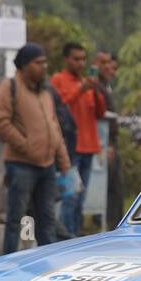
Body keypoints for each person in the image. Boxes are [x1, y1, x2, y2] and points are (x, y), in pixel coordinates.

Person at [0, 42, 72, 255]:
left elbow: (54, 126)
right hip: (21, 165)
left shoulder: (46, 92)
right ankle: (6, 265)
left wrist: (63, 161)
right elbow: (0, 123)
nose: (44, 67)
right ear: (25, 65)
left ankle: (47, 267)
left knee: (47, 221)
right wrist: (26, 146)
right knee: (16, 221)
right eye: (38, 63)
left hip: (47, 166)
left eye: (45, 62)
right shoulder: (10, 87)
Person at [51, 42, 106, 236]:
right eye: (76, 59)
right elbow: (59, 106)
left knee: (81, 198)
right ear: (66, 59)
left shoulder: (87, 82)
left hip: (89, 147)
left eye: (83, 59)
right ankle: (66, 239)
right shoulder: (58, 80)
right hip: (70, 148)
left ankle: (74, 237)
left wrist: (97, 90)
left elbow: (100, 113)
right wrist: (80, 89)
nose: (81, 63)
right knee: (70, 197)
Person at [95, 49, 124, 228]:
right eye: (103, 63)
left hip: (110, 141)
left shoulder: (105, 85)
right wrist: (106, 145)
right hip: (103, 143)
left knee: (116, 189)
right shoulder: (95, 86)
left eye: (110, 64)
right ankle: (107, 225)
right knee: (109, 189)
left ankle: (114, 224)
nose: (108, 68)